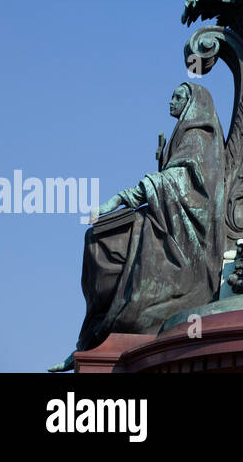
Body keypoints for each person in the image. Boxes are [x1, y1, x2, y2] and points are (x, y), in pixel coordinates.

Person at [50, 83, 227, 371]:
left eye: (177, 97)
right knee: (96, 239)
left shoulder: (198, 136)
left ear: (192, 104)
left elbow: (179, 183)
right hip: (167, 219)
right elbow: (170, 183)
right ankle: (95, 333)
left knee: (102, 240)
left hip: (183, 233)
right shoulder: (185, 135)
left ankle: (107, 326)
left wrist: (119, 199)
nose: (171, 101)